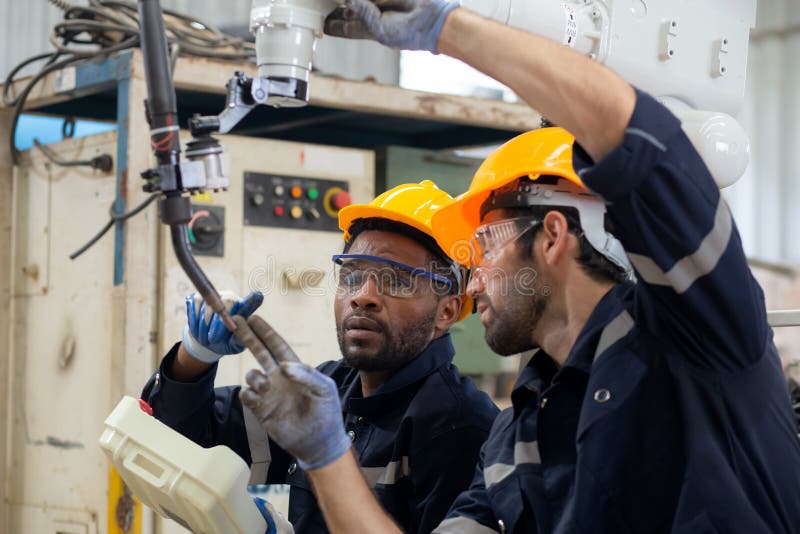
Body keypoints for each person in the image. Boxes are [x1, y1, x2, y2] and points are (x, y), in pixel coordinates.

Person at [231, 1, 800, 533]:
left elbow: (648, 148)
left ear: (552, 236)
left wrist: (447, 27)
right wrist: (327, 455)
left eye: (483, 248)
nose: (473, 281)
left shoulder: (693, 332)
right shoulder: (517, 434)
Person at [141, 180, 499, 533]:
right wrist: (196, 356)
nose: (363, 296)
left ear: (447, 311)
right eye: (352, 276)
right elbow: (184, 441)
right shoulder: (327, 392)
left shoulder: (461, 428)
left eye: (397, 281)